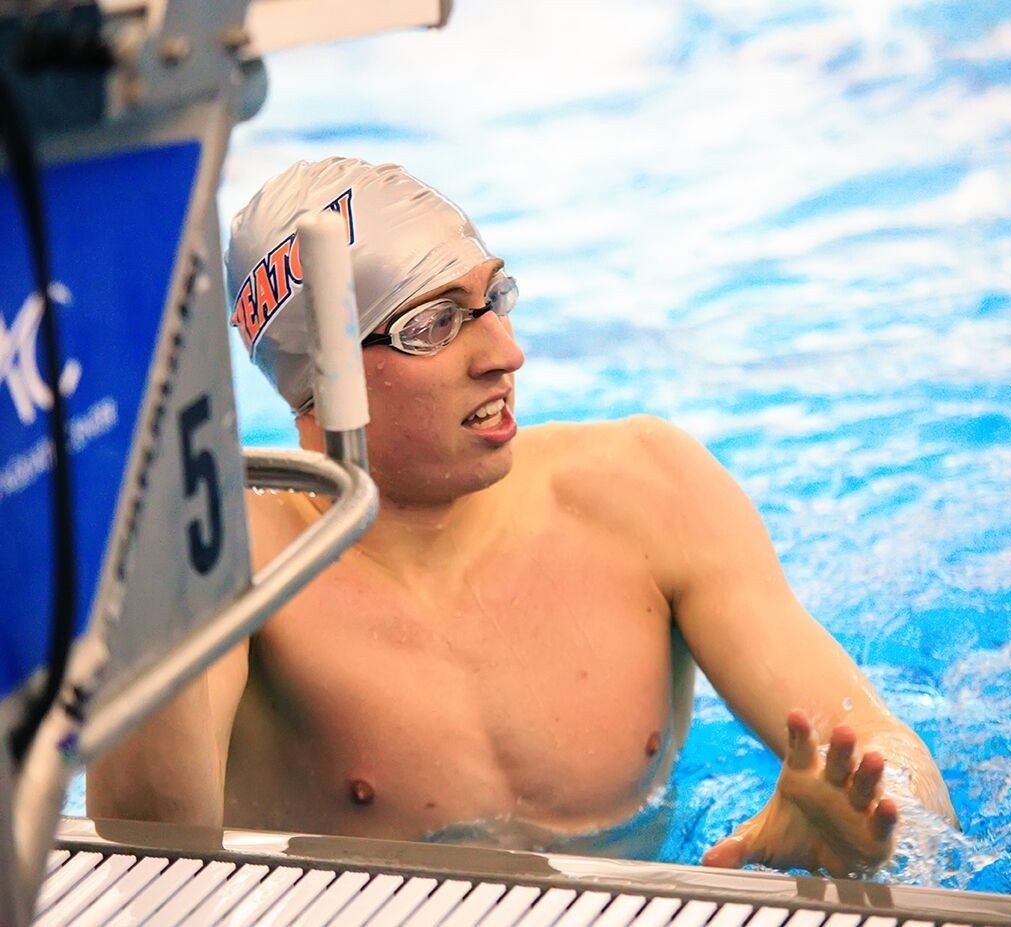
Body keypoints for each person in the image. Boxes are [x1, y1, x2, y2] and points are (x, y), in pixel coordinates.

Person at [87, 157, 956, 875]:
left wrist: (876, 824)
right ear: (320, 380)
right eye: (435, 323)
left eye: (494, 298)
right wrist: (158, 541)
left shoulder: (647, 489)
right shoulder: (228, 566)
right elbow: (145, 852)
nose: (505, 354)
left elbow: (880, 740)